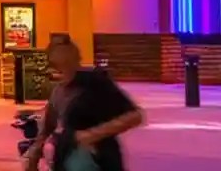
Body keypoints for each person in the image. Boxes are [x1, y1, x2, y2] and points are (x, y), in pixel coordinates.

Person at [25, 38, 144, 171]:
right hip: (67, 158)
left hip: (100, 159)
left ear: (76, 61)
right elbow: (48, 125)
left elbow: (135, 116)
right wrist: (35, 150)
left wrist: (92, 134)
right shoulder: (58, 91)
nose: (61, 71)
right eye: (57, 65)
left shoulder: (96, 83)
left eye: (66, 63)